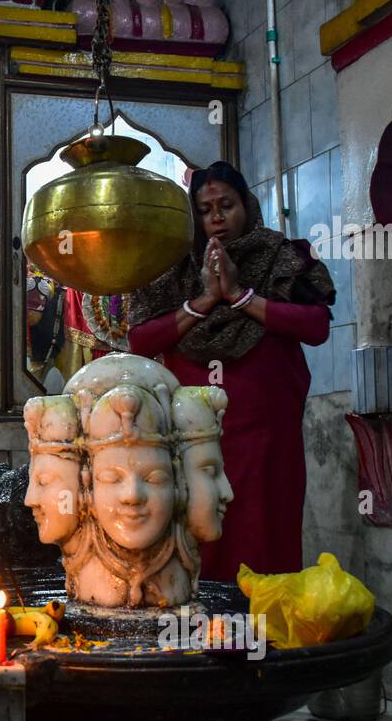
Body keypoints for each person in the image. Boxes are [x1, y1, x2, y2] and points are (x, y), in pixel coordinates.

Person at [124, 161, 335, 579]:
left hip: (266, 436)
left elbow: (316, 326)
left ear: (248, 206)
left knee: (265, 529)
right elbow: (140, 340)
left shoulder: (282, 255)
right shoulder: (177, 267)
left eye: (227, 205)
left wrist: (238, 295)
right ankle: (206, 638)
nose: (216, 218)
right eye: (204, 209)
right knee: (203, 530)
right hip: (196, 438)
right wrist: (204, 300)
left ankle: (264, 633)